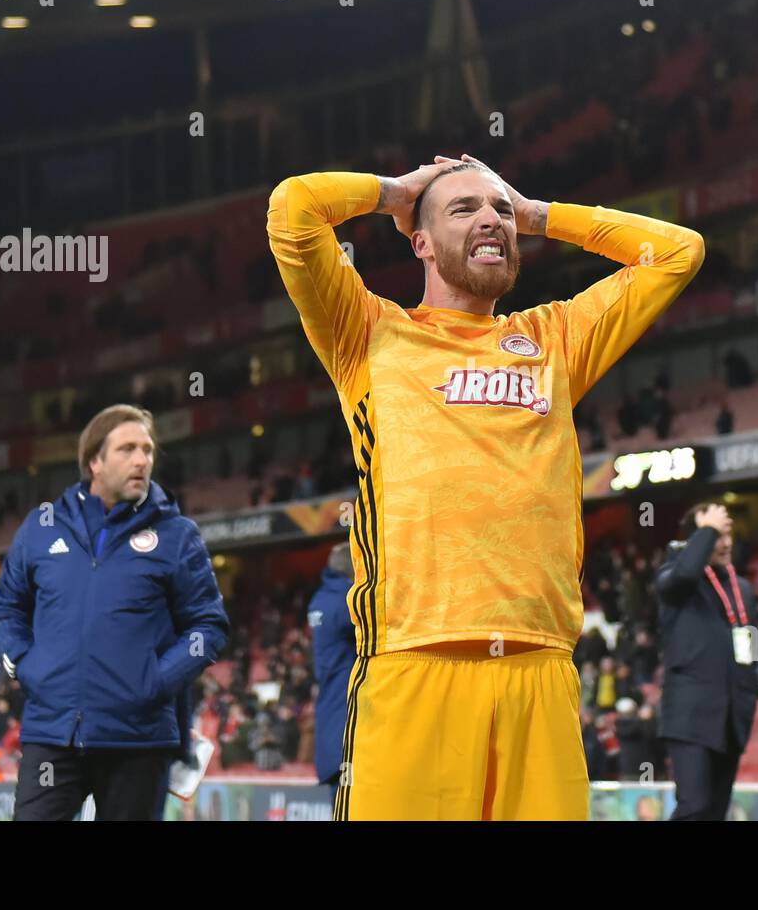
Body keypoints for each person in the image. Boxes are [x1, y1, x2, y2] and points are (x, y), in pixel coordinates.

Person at [268, 156, 705, 820]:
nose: (490, 219)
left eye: (500, 208)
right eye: (463, 209)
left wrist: (540, 215)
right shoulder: (368, 332)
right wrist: (400, 193)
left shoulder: (553, 339)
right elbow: (295, 213)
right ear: (420, 242)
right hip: (413, 663)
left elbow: (676, 254)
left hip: (540, 671)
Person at [0, 405, 231, 820]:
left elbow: (208, 626)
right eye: (127, 449)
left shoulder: (177, 536)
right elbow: (7, 607)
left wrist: (155, 681)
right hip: (53, 734)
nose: (142, 460)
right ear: (95, 462)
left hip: (138, 741)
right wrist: (27, 665)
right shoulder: (41, 528)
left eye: (147, 450)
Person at [655, 502, 758, 820]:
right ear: (698, 539)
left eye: (728, 533)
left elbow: (749, 637)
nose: (726, 543)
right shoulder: (674, 574)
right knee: (694, 806)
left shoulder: (741, 587)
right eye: (717, 535)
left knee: (714, 813)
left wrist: (756, 676)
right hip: (691, 715)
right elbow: (684, 573)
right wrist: (707, 530)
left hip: (731, 717)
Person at [308, 542, 356, 806]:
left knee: (340, 804)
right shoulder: (348, 601)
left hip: (330, 717)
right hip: (346, 716)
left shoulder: (320, 600)